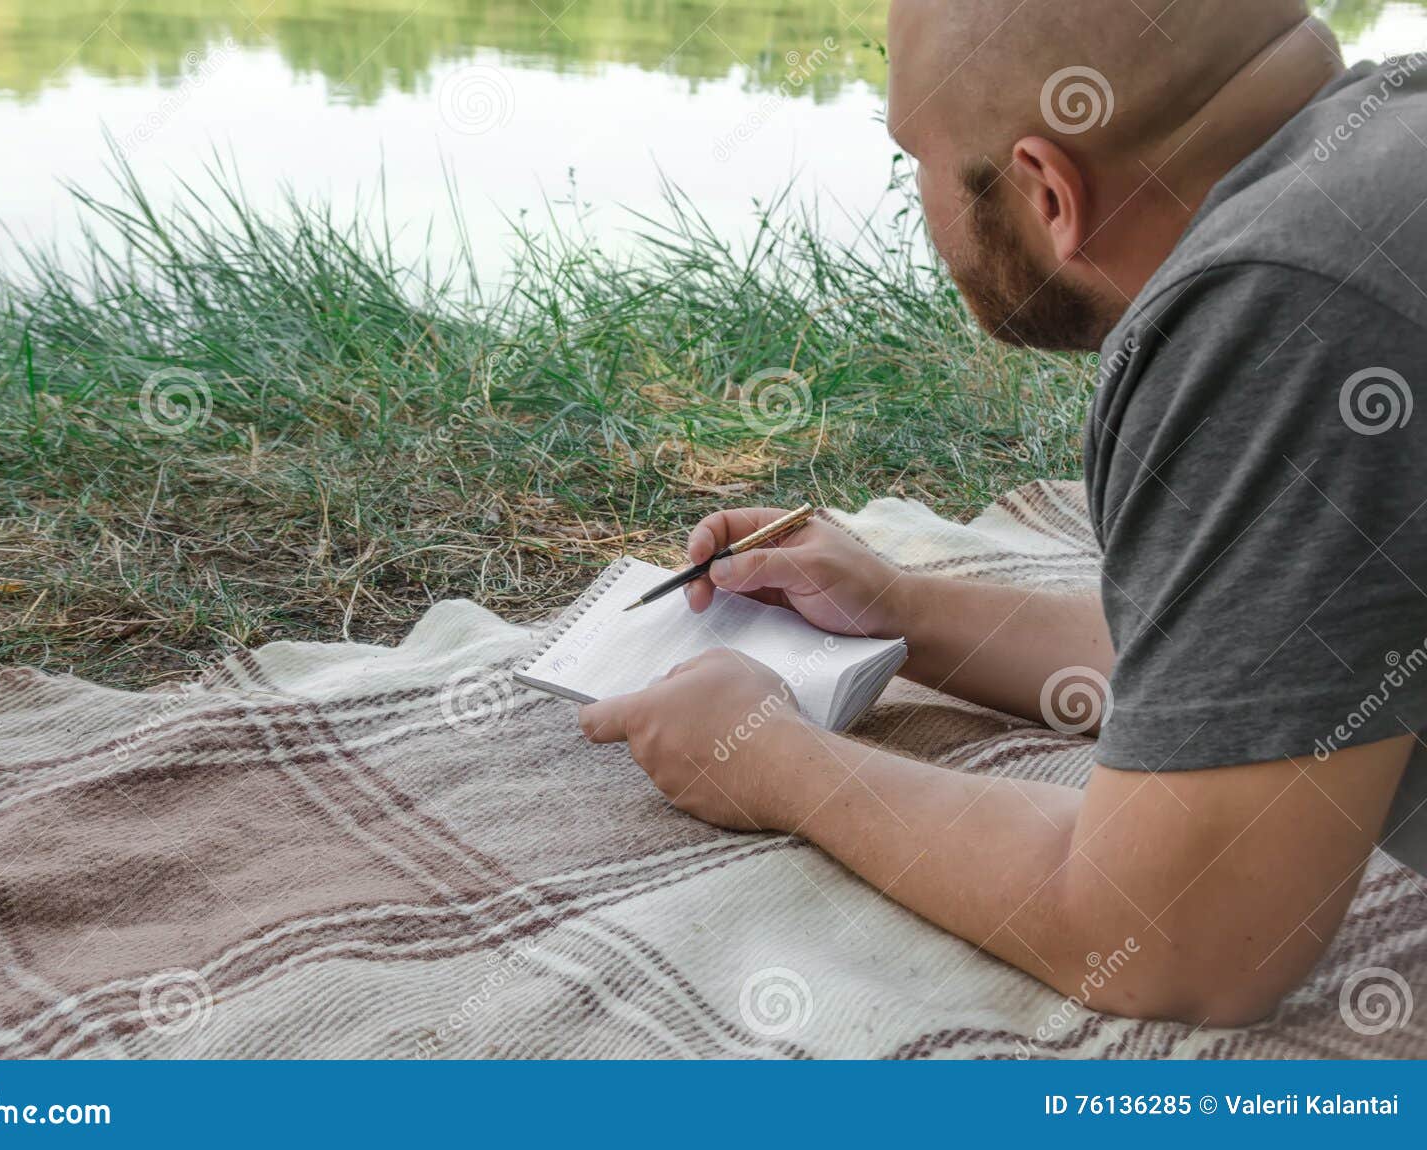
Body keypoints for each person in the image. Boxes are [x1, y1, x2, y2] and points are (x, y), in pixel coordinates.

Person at [579, 0, 1427, 1025]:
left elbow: (1176, 940)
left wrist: (764, 755)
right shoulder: (1386, 162)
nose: (917, 201)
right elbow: (1261, 666)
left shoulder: (1281, 299)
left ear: (1047, 190)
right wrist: (904, 611)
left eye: (916, 162)